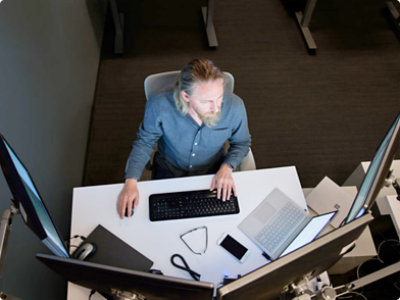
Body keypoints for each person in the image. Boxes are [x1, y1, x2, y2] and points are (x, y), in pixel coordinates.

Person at [117, 58, 251, 218]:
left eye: (219, 98)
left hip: (213, 173)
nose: (216, 108)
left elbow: (242, 143)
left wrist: (227, 167)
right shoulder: (159, 105)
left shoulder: (235, 106)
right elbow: (145, 142)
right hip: (169, 170)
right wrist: (131, 181)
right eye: (206, 101)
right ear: (186, 96)